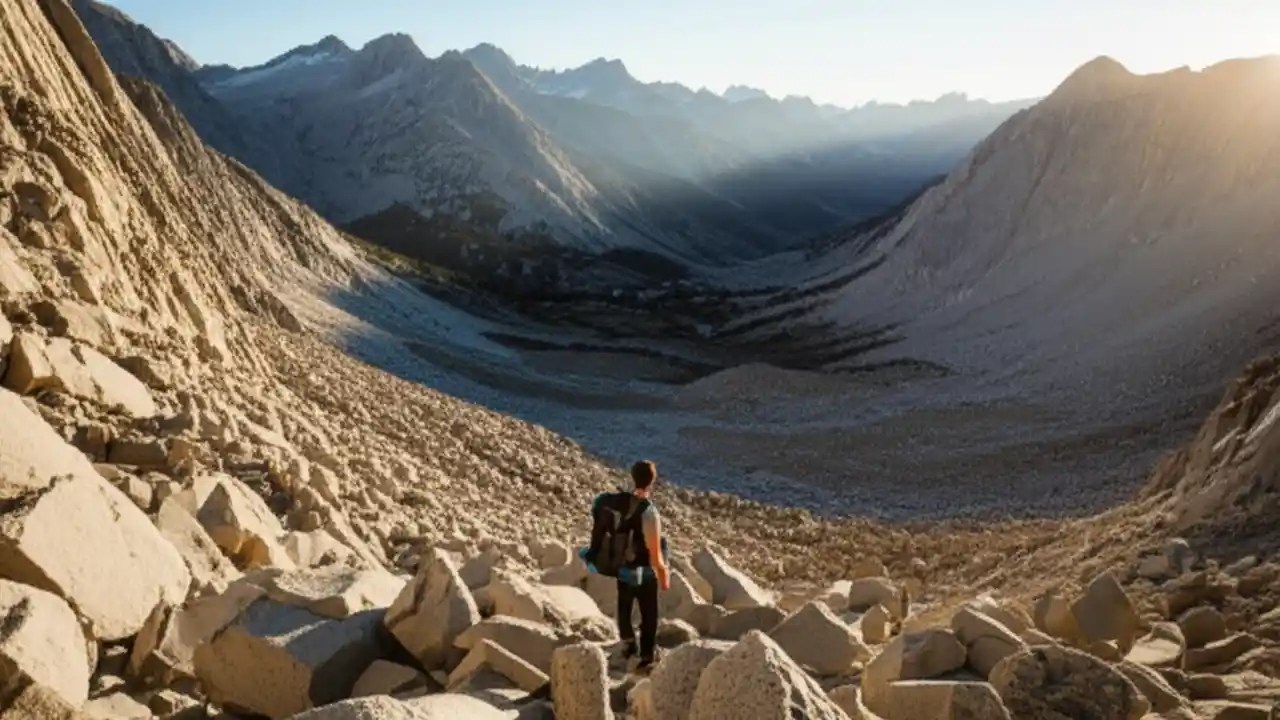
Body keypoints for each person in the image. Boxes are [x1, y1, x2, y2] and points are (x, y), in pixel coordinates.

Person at [584, 460, 670, 670]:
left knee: (625, 604)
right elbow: (655, 554)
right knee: (649, 614)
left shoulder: (618, 501)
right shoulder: (649, 512)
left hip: (623, 566)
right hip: (644, 571)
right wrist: (664, 575)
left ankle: (629, 643)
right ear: (653, 481)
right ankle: (646, 657)